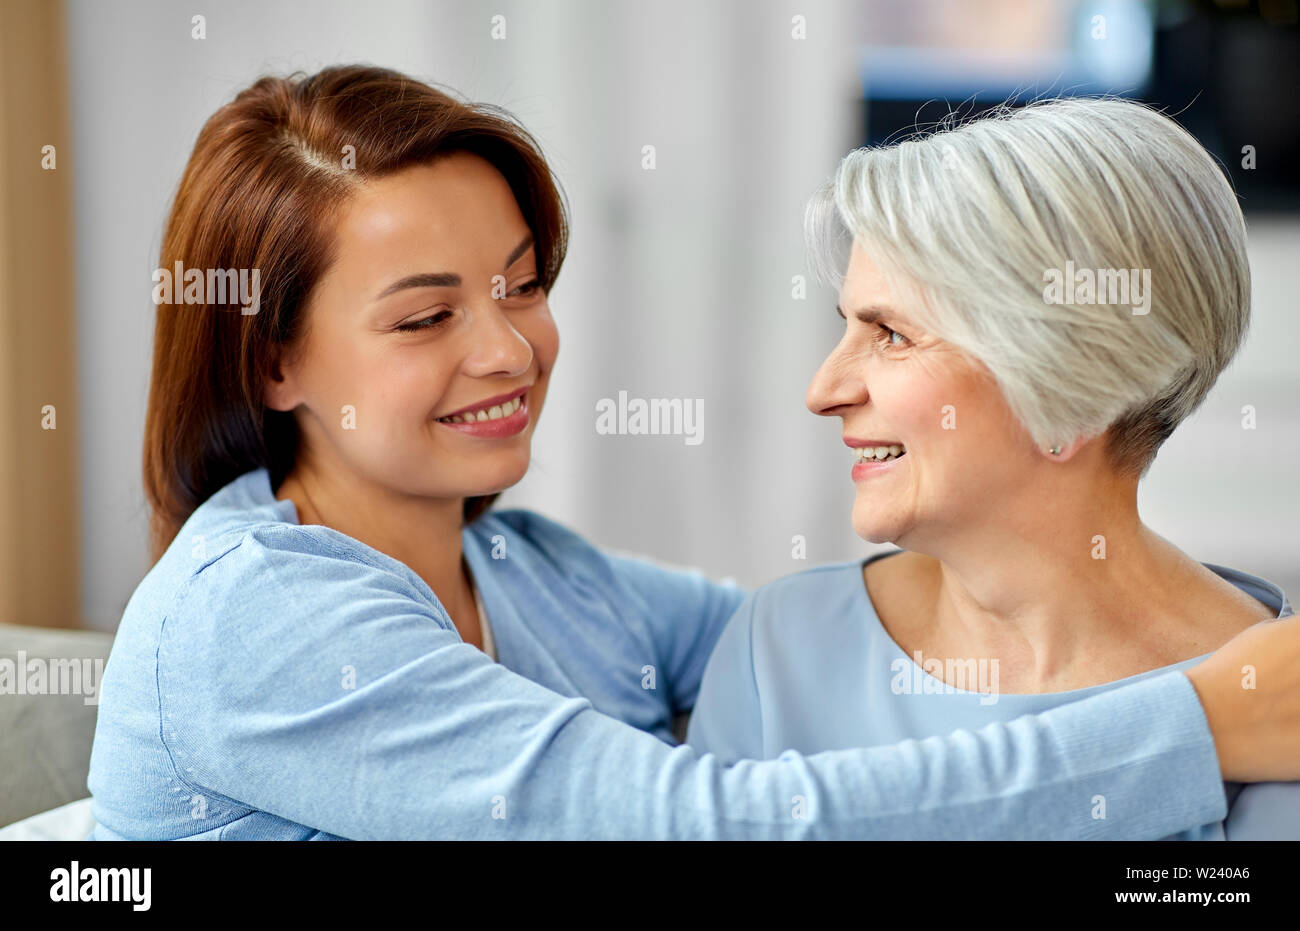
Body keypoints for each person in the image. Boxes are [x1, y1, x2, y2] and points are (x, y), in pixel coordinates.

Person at [88, 68, 1300, 839]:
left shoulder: (547, 580)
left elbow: (840, 643)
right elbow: (701, 828)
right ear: (272, 364)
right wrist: (1198, 720)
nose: (508, 349)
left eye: (521, 284)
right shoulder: (255, 618)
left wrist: (1152, 605)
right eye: (424, 317)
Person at [687, 97, 1300, 839]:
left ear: (1069, 395)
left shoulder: (1277, 707)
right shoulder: (781, 646)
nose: (822, 392)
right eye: (846, 324)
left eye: (891, 335)